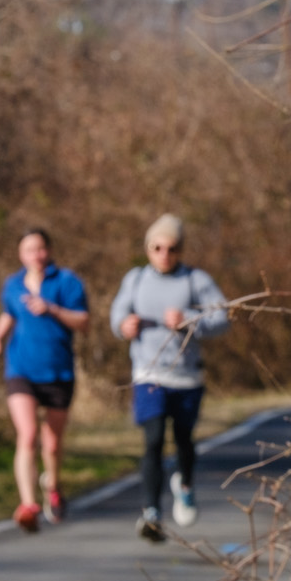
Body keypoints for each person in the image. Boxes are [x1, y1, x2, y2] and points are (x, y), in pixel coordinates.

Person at [108, 214, 228, 541]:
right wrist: (123, 326)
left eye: (171, 248)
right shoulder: (135, 280)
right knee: (154, 439)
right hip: (148, 372)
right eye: (157, 247)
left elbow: (222, 317)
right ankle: (151, 512)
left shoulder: (195, 280)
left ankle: (184, 485)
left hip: (187, 375)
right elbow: (116, 315)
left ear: (180, 250)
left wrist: (189, 319)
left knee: (184, 441)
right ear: (148, 248)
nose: (164, 254)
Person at [0, 226, 88, 530]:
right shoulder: (13, 285)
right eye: (29, 250)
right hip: (21, 370)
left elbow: (84, 321)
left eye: (41, 249)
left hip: (58, 372)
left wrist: (52, 309)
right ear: (20, 254)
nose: (36, 256)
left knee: (51, 445)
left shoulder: (66, 282)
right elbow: (9, 314)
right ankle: (28, 504)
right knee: (27, 435)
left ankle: (52, 487)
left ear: (49, 251)